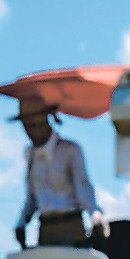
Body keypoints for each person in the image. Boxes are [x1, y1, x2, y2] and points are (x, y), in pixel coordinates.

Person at [11, 94, 109, 249]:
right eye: (26, 126)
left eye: (34, 124)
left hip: (71, 227)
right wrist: (21, 223)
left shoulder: (70, 150)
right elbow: (32, 197)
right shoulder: (31, 155)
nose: (30, 131)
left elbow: (83, 187)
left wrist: (95, 216)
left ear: (45, 121)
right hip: (45, 230)